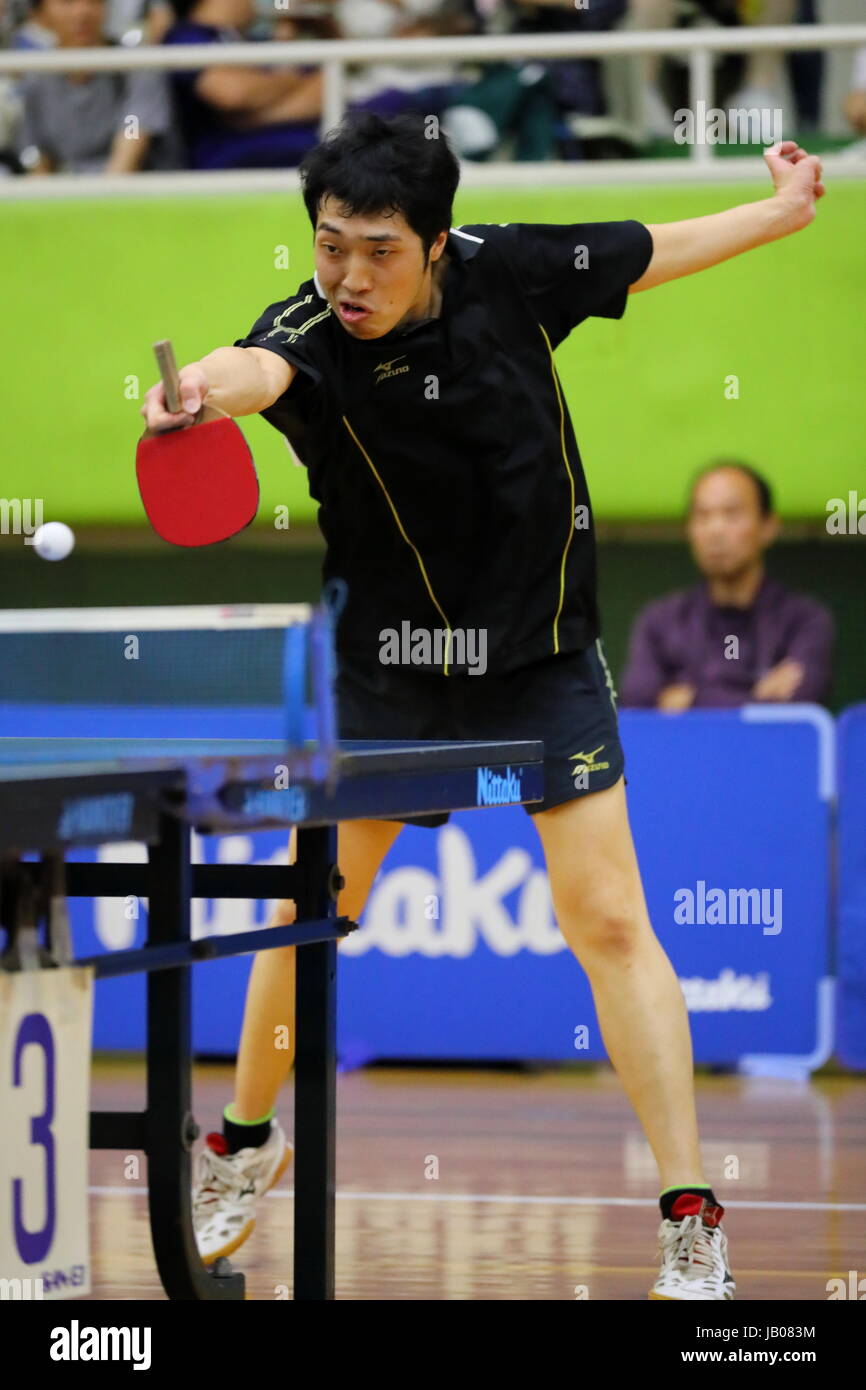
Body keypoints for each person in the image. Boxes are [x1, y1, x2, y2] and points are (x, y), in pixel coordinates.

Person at [142, 112, 825, 1300]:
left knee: (607, 919)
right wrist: (198, 388)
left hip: (536, 659)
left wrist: (774, 212)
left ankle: (687, 1214)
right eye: (328, 244)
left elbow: (649, 248)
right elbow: (251, 371)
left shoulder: (508, 272)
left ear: (437, 241)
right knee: (310, 910)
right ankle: (245, 1143)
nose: (348, 276)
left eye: (379, 250)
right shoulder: (306, 334)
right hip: (386, 670)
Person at [619, 462, 833, 710]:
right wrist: (758, 698)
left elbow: (803, 703)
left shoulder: (805, 620)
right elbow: (637, 706)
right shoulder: (659, 622)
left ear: (768, 526)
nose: (715, 530)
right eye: (703, 516)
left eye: (732, 514)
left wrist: (687, 700)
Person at [14, 0, 172, 173]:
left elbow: (133, 130)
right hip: (69, 191)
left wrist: (106, 189)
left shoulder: (135, 68)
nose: (82, 12)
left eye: (94, 1)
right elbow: (35, 152)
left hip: (131, 190)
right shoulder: (37, 79)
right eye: (67, 3)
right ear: (39, 13)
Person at [162, 0, 322, 170]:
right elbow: (231, 94)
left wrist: (247, 118)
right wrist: (293, 82)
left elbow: (323, 89)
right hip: (227, 175)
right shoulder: (186, 37)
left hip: (306, 165)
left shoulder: (257, 40)